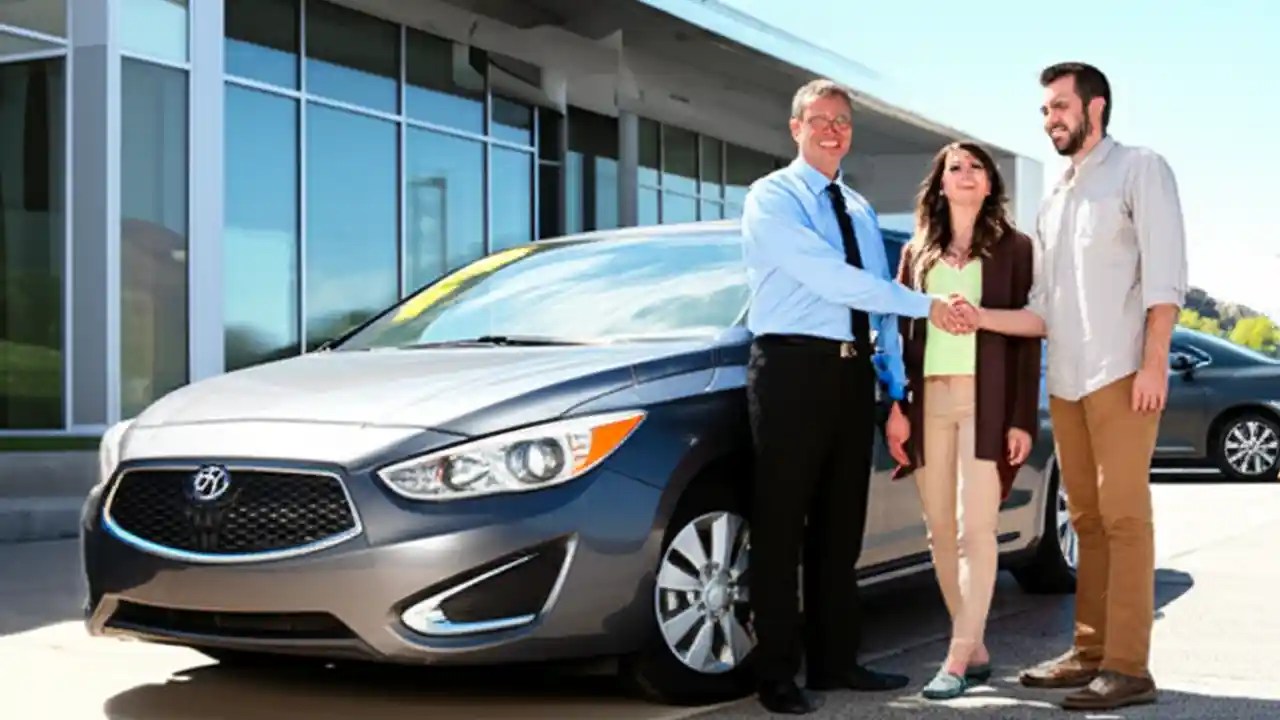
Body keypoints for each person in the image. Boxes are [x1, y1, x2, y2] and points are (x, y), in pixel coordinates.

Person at [741, 77, 972, 715]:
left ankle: (837, 662)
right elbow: (831, 280)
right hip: (790, 370)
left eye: (842, 120)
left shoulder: (861, 209)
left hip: (850, 375)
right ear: (795, 128)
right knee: (783, 525)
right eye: (819, 119)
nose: (832, 130)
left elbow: (877, 306)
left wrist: (895, 390)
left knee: (841, 528)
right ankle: (777, 675)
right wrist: (927, 303)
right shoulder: (772, 198)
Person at [968, 62, 1187, 711]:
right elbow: (1044, 307)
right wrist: (977, 315)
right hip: (1066, 380)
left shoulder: (1140, 168)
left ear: (1094, 109)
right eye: (1044, 110)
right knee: (1085, 521)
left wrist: (1154, 361)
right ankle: (1090, 651)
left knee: (1123, 518)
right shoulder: (1056, 197)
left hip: (1121, 372)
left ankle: (1128, 666)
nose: (1049, 119)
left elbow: (1166, 274)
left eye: (1059, 106)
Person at [886, 141, 1042, 700]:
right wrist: (896, 407)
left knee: (976, 528)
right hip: (928, 400)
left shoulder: (1015, 249)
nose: (967, 174)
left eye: (977, 167)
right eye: (956, 167)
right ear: (941, 183)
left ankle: (954, 656)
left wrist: (1022, 418)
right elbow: (899, 337)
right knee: (940, 533)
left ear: (990, 182)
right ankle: (973, 646)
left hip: (987, 401)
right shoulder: (916, 253)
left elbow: (1029, 340)